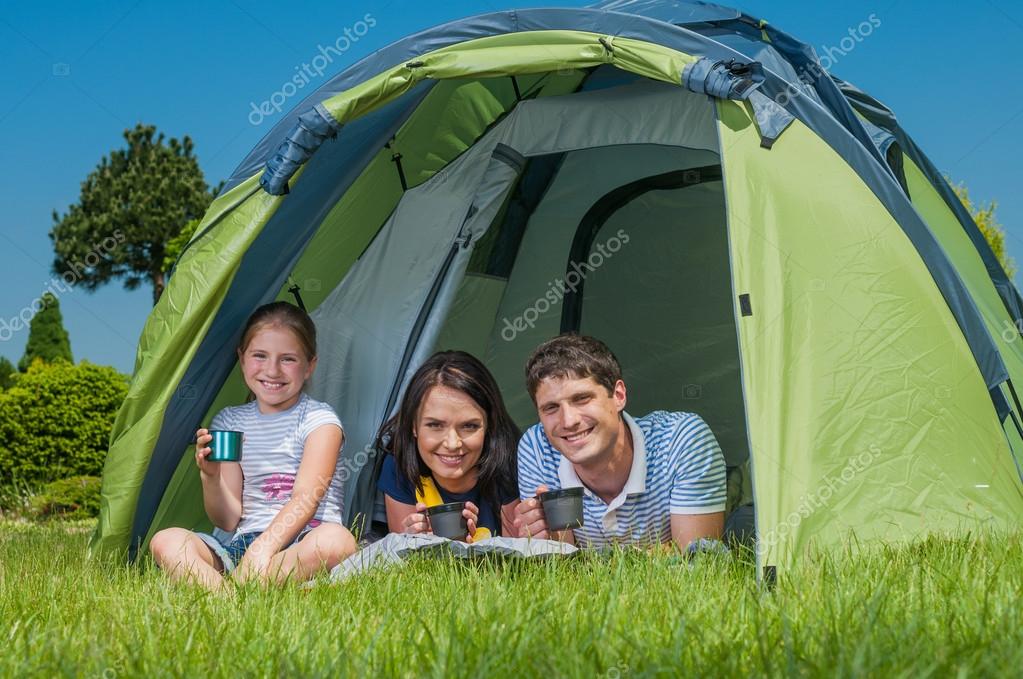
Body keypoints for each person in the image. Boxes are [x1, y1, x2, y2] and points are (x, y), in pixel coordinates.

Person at [149, 302, 357, 589]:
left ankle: (236, 586)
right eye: (260, 355)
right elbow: (228, 519)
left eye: (288, 359)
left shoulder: (320, 421)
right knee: (165, 540)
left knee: (337, 541)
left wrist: (262, 552)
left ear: (310, 366)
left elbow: (306, 499)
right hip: (244, 543)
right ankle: (228, 596)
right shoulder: (230, 421)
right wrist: (210, 477)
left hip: (304, 542)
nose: (272, 370)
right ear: (242, 359)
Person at [514, 334, 727, 551]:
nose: (568, 421)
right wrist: (547, 538)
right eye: (551, 408)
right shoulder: (537, 447)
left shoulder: (681, 439)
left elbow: (698, 564)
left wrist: (593, 562)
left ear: (618, 395)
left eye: (582, 399)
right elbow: (562, 569)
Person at [376, 350, 520, 541]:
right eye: (435, 425)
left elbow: (517, 557)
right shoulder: (399, 463)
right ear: (414, 426)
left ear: (489, 426)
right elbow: (404, 555)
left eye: (469, 426)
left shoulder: (509, 462)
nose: (452, 444)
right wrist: (413, 542)